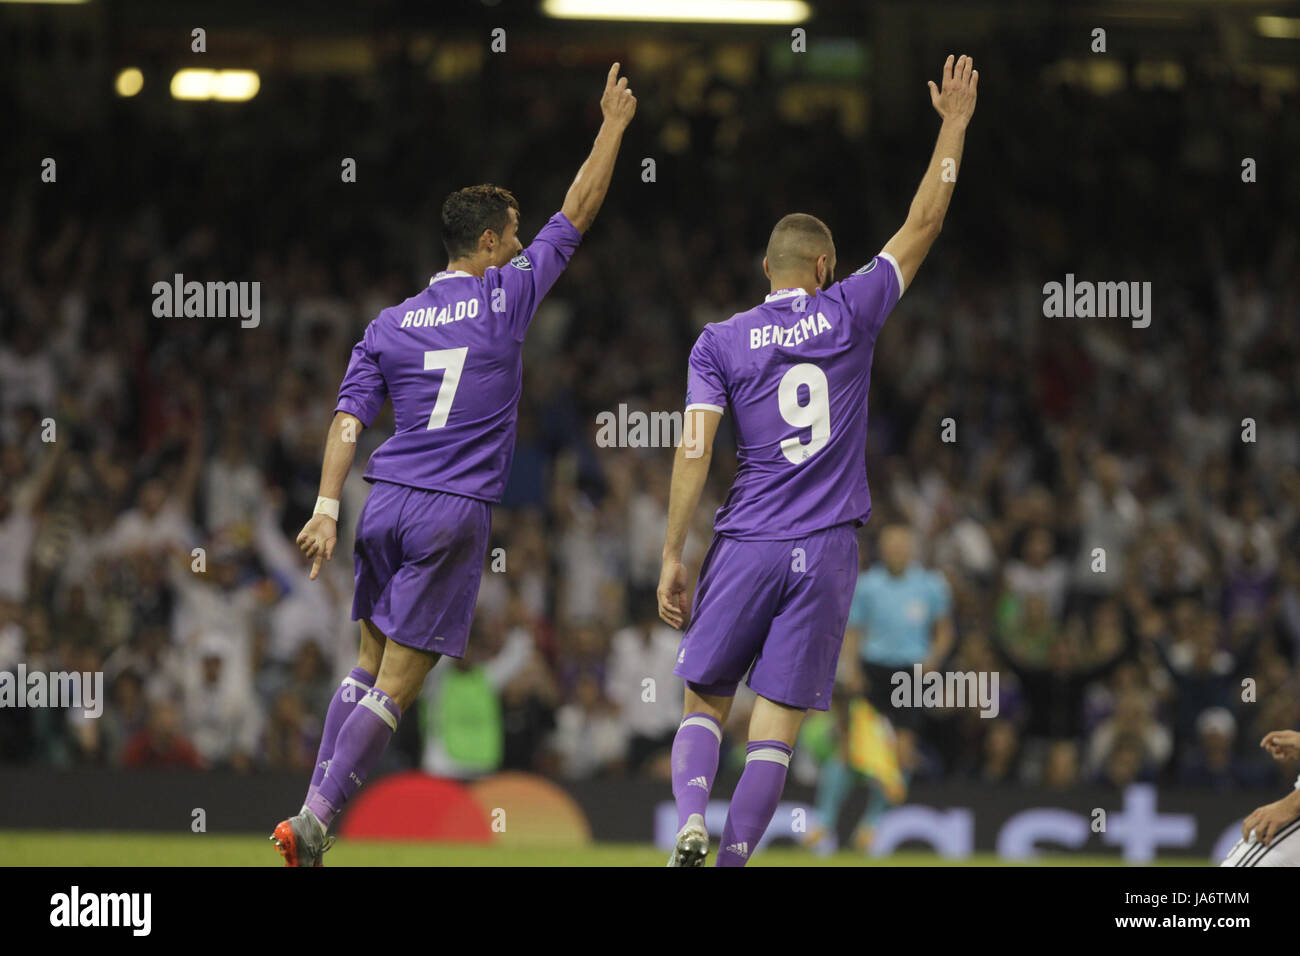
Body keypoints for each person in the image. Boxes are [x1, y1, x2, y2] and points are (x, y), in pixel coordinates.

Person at [270, 64, 637, 866]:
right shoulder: (507, 296)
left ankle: (309, 814)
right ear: (487, 244)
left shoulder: (391, 322)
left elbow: (346, 418)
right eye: (511, 235)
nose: (518, 243)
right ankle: (319, 819)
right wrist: (611, 127)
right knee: (400, 685)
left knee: (365, 667)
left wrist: (327, 506)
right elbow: (579, 209)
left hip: (382, 501)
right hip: (450, 509)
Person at [656, 54, 979, 867]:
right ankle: (730, 862)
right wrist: (954, 124)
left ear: (767, 270)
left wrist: (671, 551)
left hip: (750, 537)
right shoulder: (851, 309)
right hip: (828, 548)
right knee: (778, 731)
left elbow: (693, 450)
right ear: (826, 268)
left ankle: (691, 821)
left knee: (704, 698)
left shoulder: (719, 340)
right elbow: (925, 220)